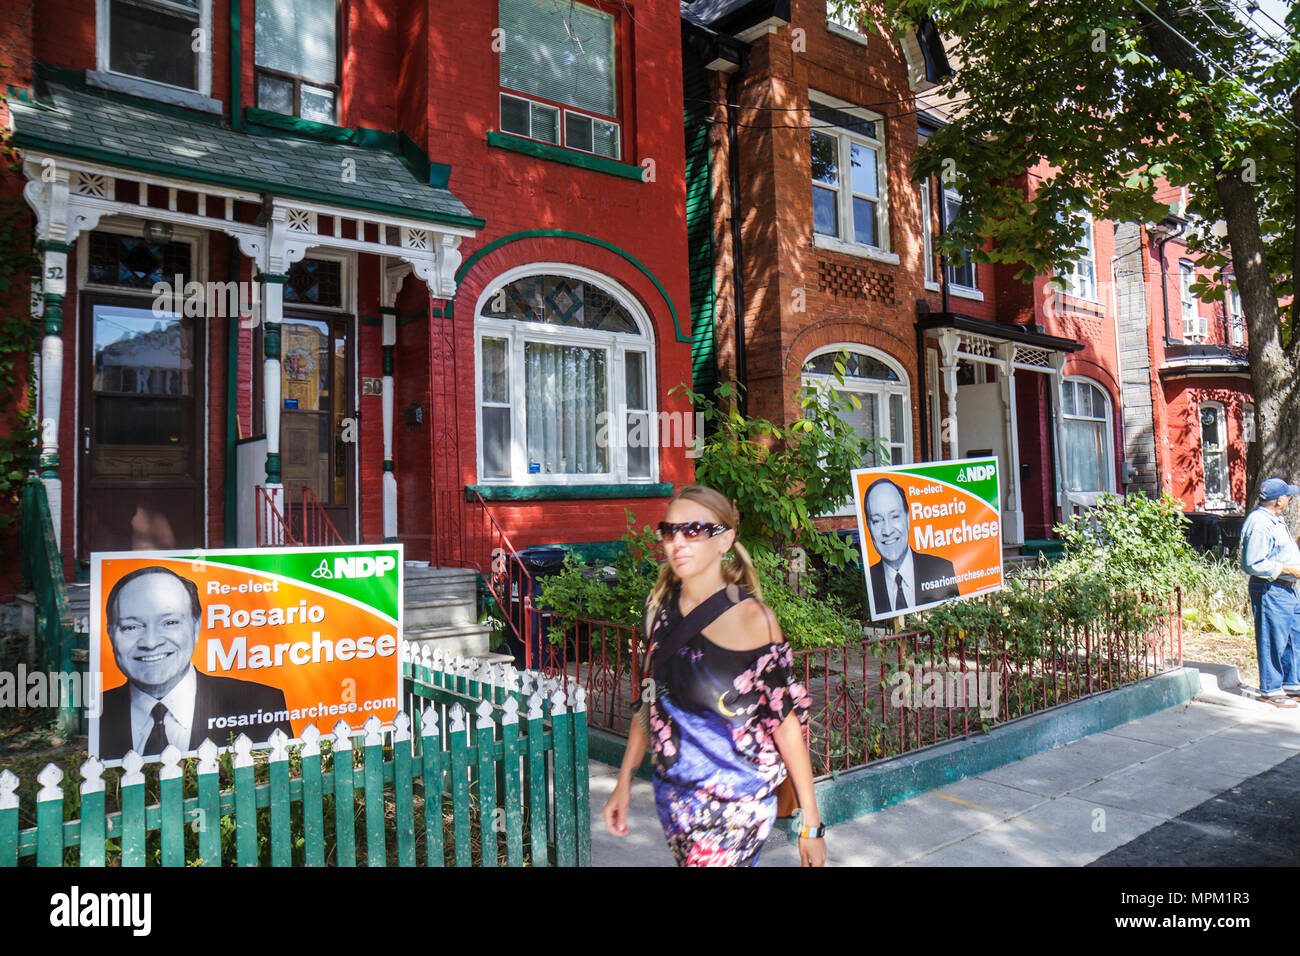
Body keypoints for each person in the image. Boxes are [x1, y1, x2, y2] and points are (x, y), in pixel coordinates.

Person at [601, 485, 826, 867]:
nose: (678, 542)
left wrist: (812, 825)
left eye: (693, 530)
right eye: (669, 531)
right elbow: (651, 699)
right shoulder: (658, 608)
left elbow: (785, 724)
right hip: (676, 802)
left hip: (735, 807)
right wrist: (623, 782)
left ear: (725, 540)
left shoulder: (754, 619)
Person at [98, 565, 294, 760]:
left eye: (170, 622)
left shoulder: (261, 703)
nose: (150, 642)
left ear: (196, 627)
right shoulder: (95, 713)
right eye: (131, 627)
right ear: (110, 634)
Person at [1239, 477, 1300, 708]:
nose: (1289, 499)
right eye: (1287, 496)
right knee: (1272, 638)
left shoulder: (1275, 519)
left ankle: (1292, 684)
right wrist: (1288, 569)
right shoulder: (1259, 523)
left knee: (1292, 636)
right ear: (1278, 500)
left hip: (1288, 588)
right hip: (1270, 588)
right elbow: (1252, 563)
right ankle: (1271, 689)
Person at [863, 477, 960, 616]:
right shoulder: (869, 581)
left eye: (895, 516)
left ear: (908, 518)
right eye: (877, 520)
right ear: (869, 527)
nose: (887, 531)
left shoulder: (943, 568)